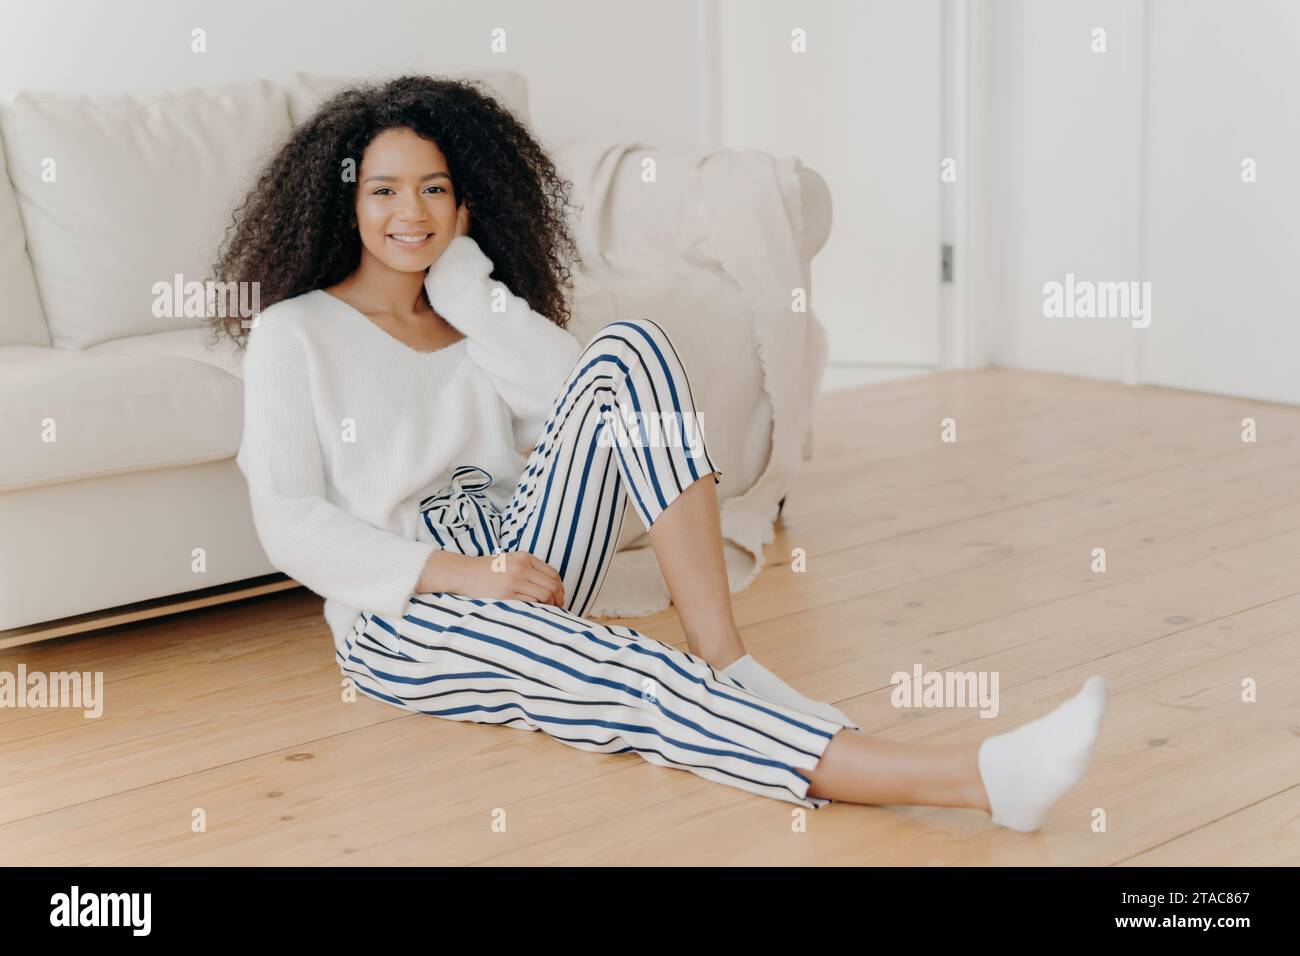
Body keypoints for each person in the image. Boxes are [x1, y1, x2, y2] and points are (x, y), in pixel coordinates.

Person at [211, 75, 1107, 831]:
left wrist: (468, 292)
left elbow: (585, 401)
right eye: (385, 190)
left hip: (526, 560)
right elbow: (289, 522)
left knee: (632, 345)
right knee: (623, 672)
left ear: (466, 200)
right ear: (346, 199)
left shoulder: (471, 314)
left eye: (435, 189)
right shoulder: (297, 335)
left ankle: (723, 652)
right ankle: (970, 779)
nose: (412, 211)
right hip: (407, 616)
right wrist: (461, 573)